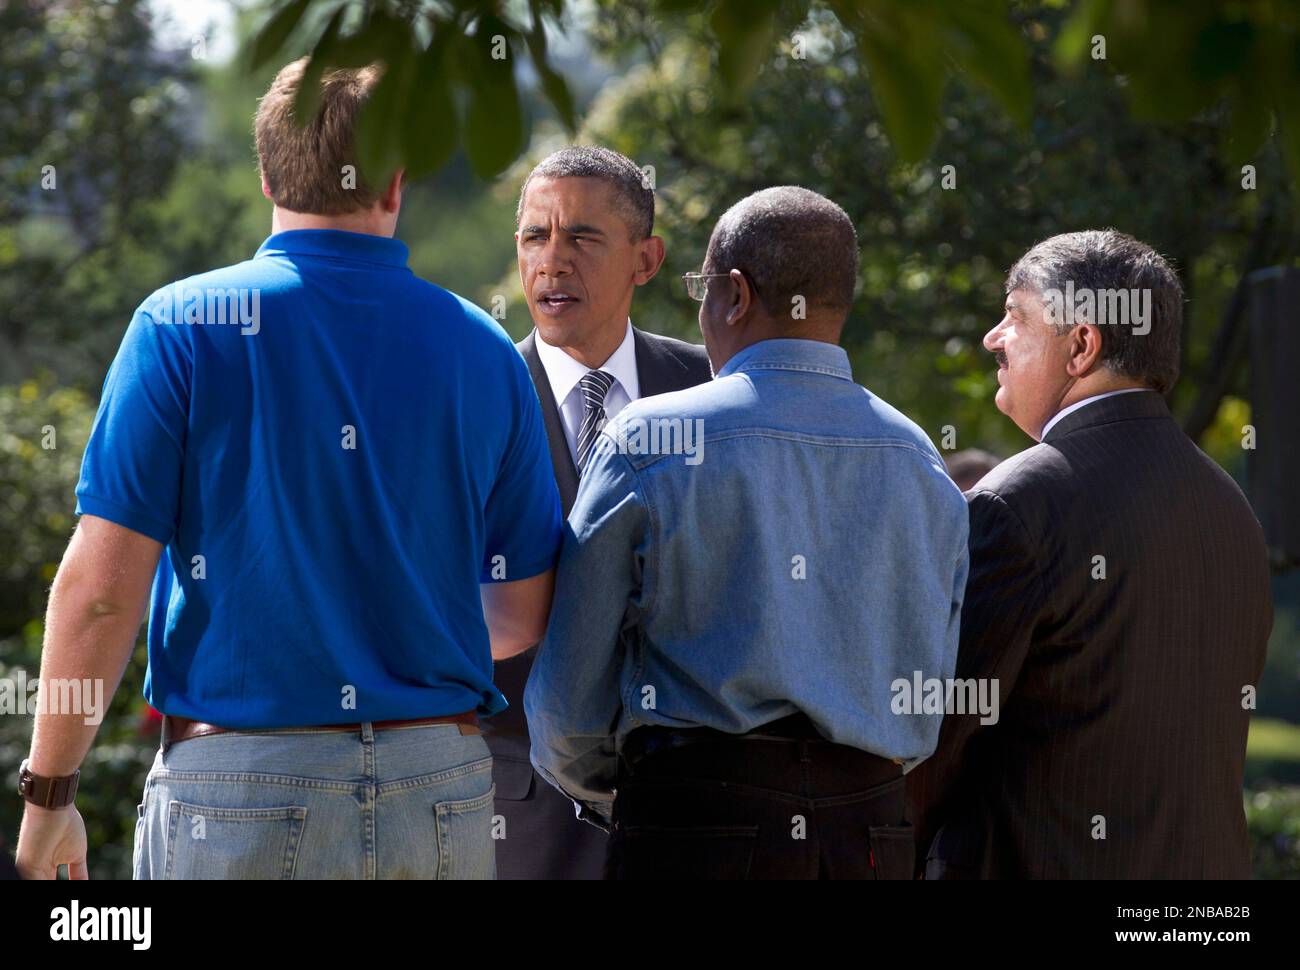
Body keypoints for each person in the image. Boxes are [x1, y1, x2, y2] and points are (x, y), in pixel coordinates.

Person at [14, 59, 560, 880]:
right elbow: (520, 612)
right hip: (437, 792)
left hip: (237, 798)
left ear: (267, 173)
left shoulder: (181, 326)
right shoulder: (485, 349)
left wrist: (48, 798)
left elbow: (100, 593)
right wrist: (383, 644)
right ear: (395, 183)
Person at [525, 186, 969, 879]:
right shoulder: (923, 461)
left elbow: (566, 704)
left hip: (695, 821)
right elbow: (929, 692)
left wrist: (626, 795)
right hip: (872, 829)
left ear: (733, 295)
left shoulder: (648, 440)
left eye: (703, 291)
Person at [909, 229, 1273, 879]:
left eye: (1015, 316)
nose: (995, 337)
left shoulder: (1016, 503)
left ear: (1081, 345)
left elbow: (931, 740)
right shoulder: (1232, 510)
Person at [488, 146, 712, 880]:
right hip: (518, 811)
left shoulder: (710, 391)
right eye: (534, 237)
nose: (552, 261)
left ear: (646, 260)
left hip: (695, 806)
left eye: (582, 238)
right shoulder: (477, 396)